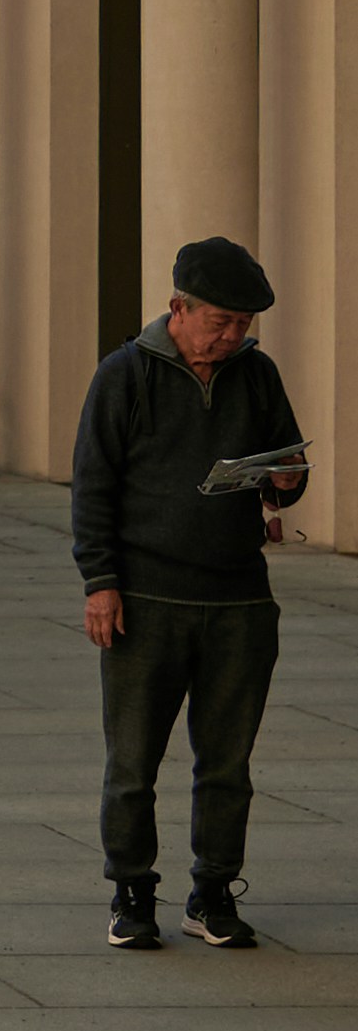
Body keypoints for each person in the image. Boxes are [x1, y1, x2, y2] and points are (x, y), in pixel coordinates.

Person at [73, 232, 309, 948]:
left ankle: (211, 892)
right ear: (178, 308)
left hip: (239, 599)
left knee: (228, 764)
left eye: (243, 324)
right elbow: (92, 487)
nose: (232, 335)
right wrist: (100, 584)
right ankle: (131, 891)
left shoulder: (256, 374)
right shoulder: (123, 375)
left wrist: (286, 481)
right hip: (145, 599)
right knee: (132, 763)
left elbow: (285, 469)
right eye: (220, 321)